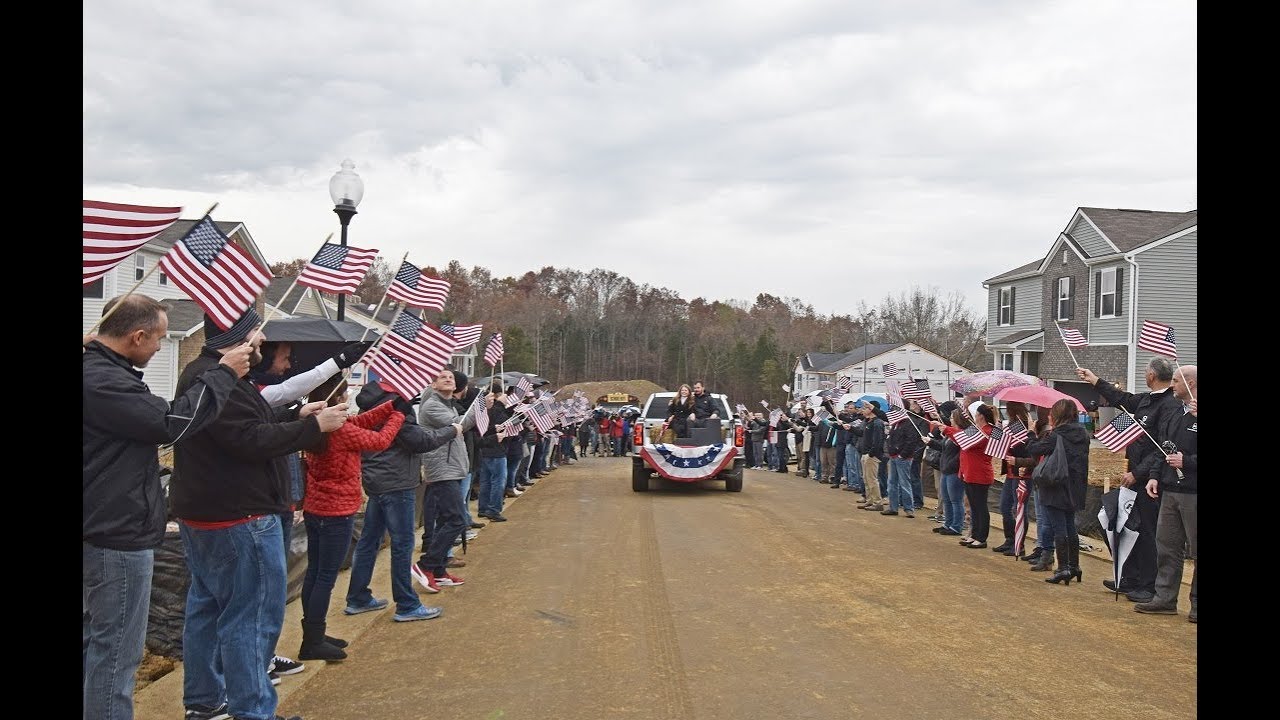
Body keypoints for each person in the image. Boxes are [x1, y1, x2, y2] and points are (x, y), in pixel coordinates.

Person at [170, 308, 349, 720]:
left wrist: (296, 416)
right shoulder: (216, 378)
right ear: (236, 338)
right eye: (255, 333)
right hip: (240, 516)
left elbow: (243, 425)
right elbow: (247, 439)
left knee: (207, 609)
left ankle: (204, 702)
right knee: (248, 619)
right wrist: (313, 428)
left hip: (209, 514)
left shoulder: (209, 377)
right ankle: (252, 710)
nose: (261, 342)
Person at [83, 294, 251, 720]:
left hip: (105, 525)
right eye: (157, 338)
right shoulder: (104, 380)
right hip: (114, 533)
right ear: (136, 336)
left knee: (99, 644)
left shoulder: (102, 372)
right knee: (116, 652)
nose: (160, 346)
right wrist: (222, 374)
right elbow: (172, 423)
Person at [251, 338, 367, 680]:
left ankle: (272, 653)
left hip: (293, 501)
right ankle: (279, 652)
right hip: (318, 508)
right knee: (283, 582)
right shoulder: (256, 395)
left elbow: (286, 401)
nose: (288, 365)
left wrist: (301, 413)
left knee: (284, 582)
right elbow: (376, 441)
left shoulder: (278, 403)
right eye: (284, 358)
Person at [298, 375, 432, 658]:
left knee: (315, 572)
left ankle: (313, 634)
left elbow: (362, 422)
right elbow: (380, 440)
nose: (348, 399)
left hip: (316, 507)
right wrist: (398, 414)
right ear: (335, 399)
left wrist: (393, 404)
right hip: (336, 510)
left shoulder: (316, 425)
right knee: (324, 576)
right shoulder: (339, 431)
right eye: (345, 395)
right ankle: (312, 640)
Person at [344, 371, 462, 623]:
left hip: (377, 479)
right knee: (402, 543)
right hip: (396, 482)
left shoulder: (370, 402)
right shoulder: (396, 404)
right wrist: (452, 431)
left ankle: (358, 597)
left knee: (369, 541)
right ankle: (406, 603)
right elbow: (417, 440)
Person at [1077, 358, 1181, 601]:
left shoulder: (1169, 405)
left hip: (1148, 481)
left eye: (1146, 371)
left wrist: (1139, 473)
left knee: (1145, 532)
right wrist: (1095, 381)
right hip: (1131, 476)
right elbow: (1121, 398)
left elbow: (1162, 448)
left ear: (1152, 375)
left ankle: (1148, 584)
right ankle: (1129, 576)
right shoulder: (1146, 399)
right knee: (1115, 521)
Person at [1133, 366, 1197, 621]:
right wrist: (1153, 476)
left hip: (1193, 492)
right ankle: (1164, 598)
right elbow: (1163, 448)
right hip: (1169, 490)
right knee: (1167, 547)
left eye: (1175, 381)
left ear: (1191, 383)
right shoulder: (1175, 413)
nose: (1172, 386)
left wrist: (1188, 462)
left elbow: (1183, 457)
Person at [411, 368, 480, 593]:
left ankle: (439, 571)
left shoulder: (446, 404)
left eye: (451, 377)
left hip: (452, 468)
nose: (449, 379)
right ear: (433, 385)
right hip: (442, 469)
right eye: (443, 377)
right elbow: (459, 425)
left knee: (445, 519)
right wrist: (480, 407)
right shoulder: (432, 405)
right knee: (457, 519)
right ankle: (426, 565)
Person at [1021, 399, 1091, 585]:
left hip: (1056, 484)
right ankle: (1074, 565)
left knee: (1058, 527)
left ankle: (1063, 568)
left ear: (1058, 415)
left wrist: (1030, 432)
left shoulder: (1057, 435)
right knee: (1070, 526)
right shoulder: (1083, 434)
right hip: (1075, 485)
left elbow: (1034, 449)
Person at [934, 401, 994, 548]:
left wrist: (947, 429)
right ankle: (974, 534)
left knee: (980, 506)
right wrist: (946, 430)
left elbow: (966, 441)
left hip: (979, 473)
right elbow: (961, 440)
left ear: (980, 416)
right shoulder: (979, 429)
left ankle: (981, 537)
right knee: (974, 506)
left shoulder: (986, 431)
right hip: (970, 472)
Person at [992, 402, 1033, 556]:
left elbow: (1024, 449)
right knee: (1005, 506)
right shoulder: (1012, 426)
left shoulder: (1020, 427)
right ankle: (1010, 539)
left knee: (1019, 509)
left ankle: (1019, 543)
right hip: (1010, 474)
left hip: (1021, 474)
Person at [926, 403, 965, 537]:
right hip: (946, 469)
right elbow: (942, 447)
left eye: (953, 418)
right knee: (947, 499)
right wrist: (930, 442)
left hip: (953, 471)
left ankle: (956, 525)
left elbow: (960, 454)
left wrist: (952, 465)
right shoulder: (950, 434)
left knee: (955, 500)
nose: (950, 419)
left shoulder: (960, 435)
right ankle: (948, 523)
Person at [883, 402, 927, 518]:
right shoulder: (896, 423)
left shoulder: (909, 422)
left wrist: (902, 455)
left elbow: (911, 440)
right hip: (894, 456)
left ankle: (909, 508)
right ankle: (893, 507)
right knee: (892, 482)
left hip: (903, 457)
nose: (892, 411)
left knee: (904, 483)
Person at [854, 401, 888, 511]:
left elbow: (878, 441)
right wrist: (849, 428)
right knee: (866, 479)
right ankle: (870, 500)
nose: (863, 410)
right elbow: (861, 433)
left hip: (871, 455)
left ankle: (877, 502)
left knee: (872, 479)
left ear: (871, 409)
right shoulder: (868, 422)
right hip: (865, 453)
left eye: (865, 408)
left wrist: (871, 454)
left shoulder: (877, 423)